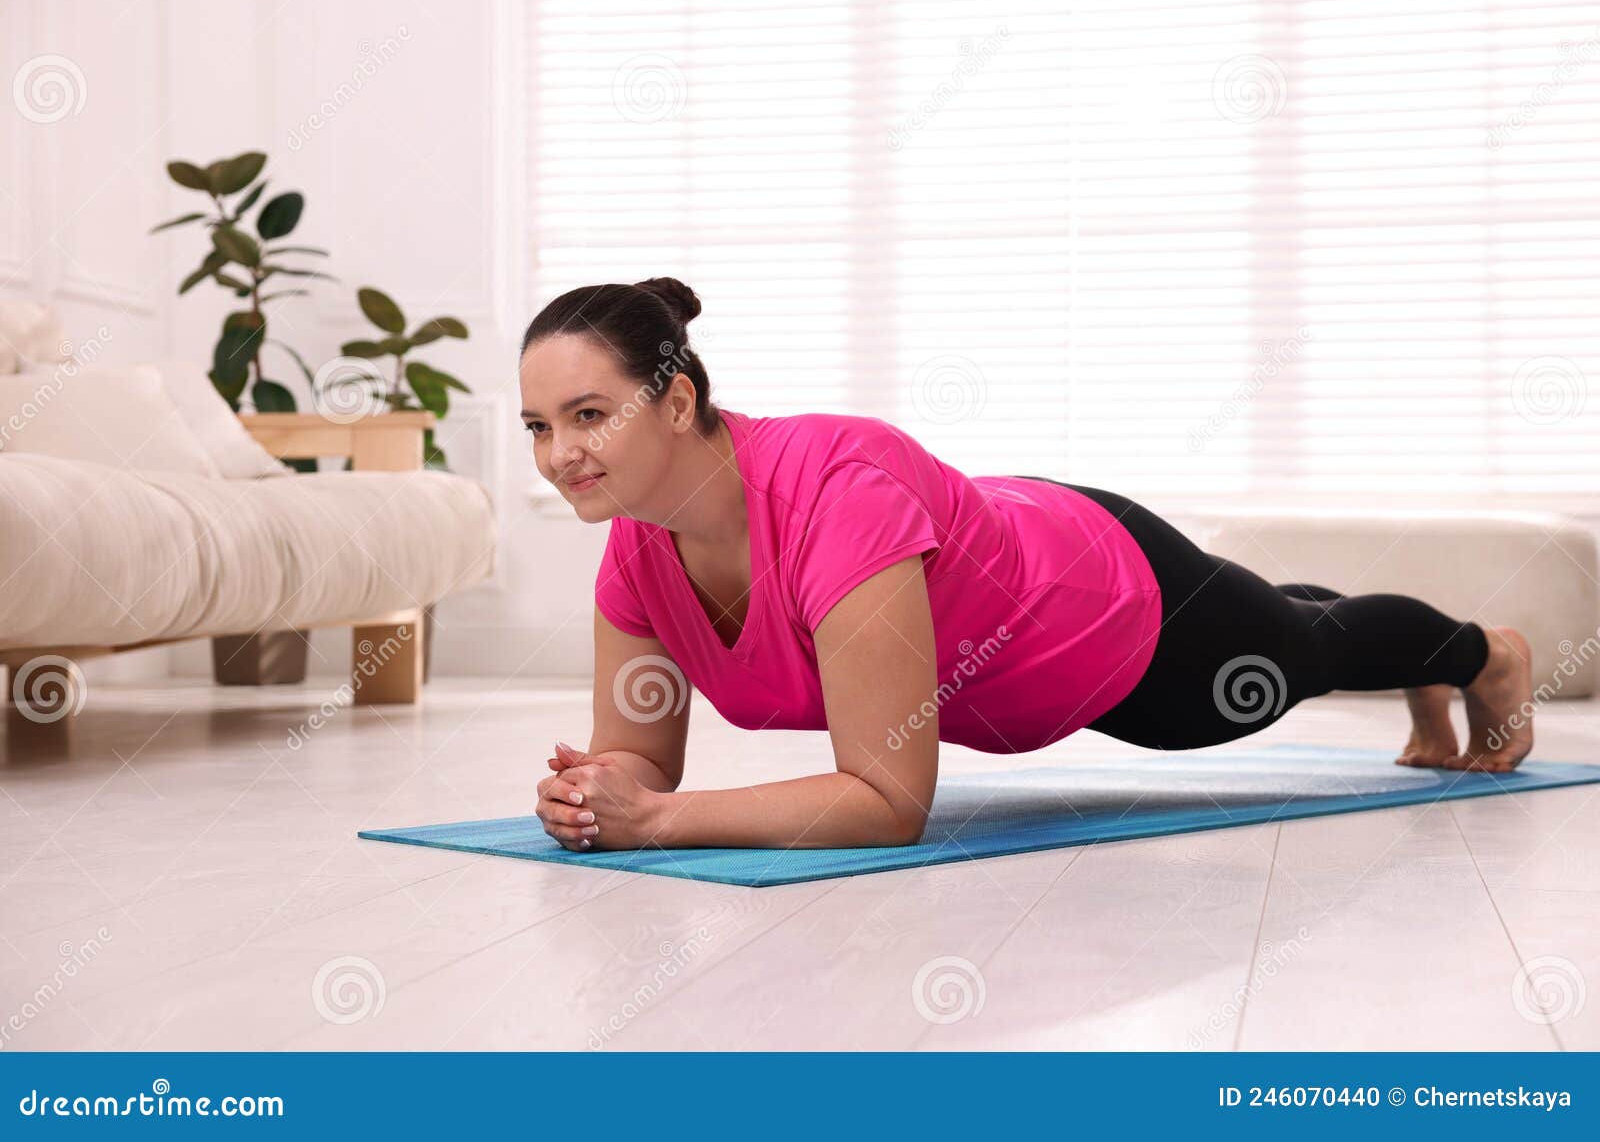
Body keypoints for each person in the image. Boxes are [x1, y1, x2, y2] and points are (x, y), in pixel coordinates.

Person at [518, 277, 1536, 853]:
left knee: (1297, 652)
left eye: (589, 414)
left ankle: (1483, 654)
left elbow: (886, 801)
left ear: (680, 401)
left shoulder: (837, 499)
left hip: (1107, 608)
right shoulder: (636, 554)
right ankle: (1380, 644)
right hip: (1005, 551)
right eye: (538, 425)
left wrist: (657, 820)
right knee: (1287, 616)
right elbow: (639, 758)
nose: (560, 453)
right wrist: (600, 790)